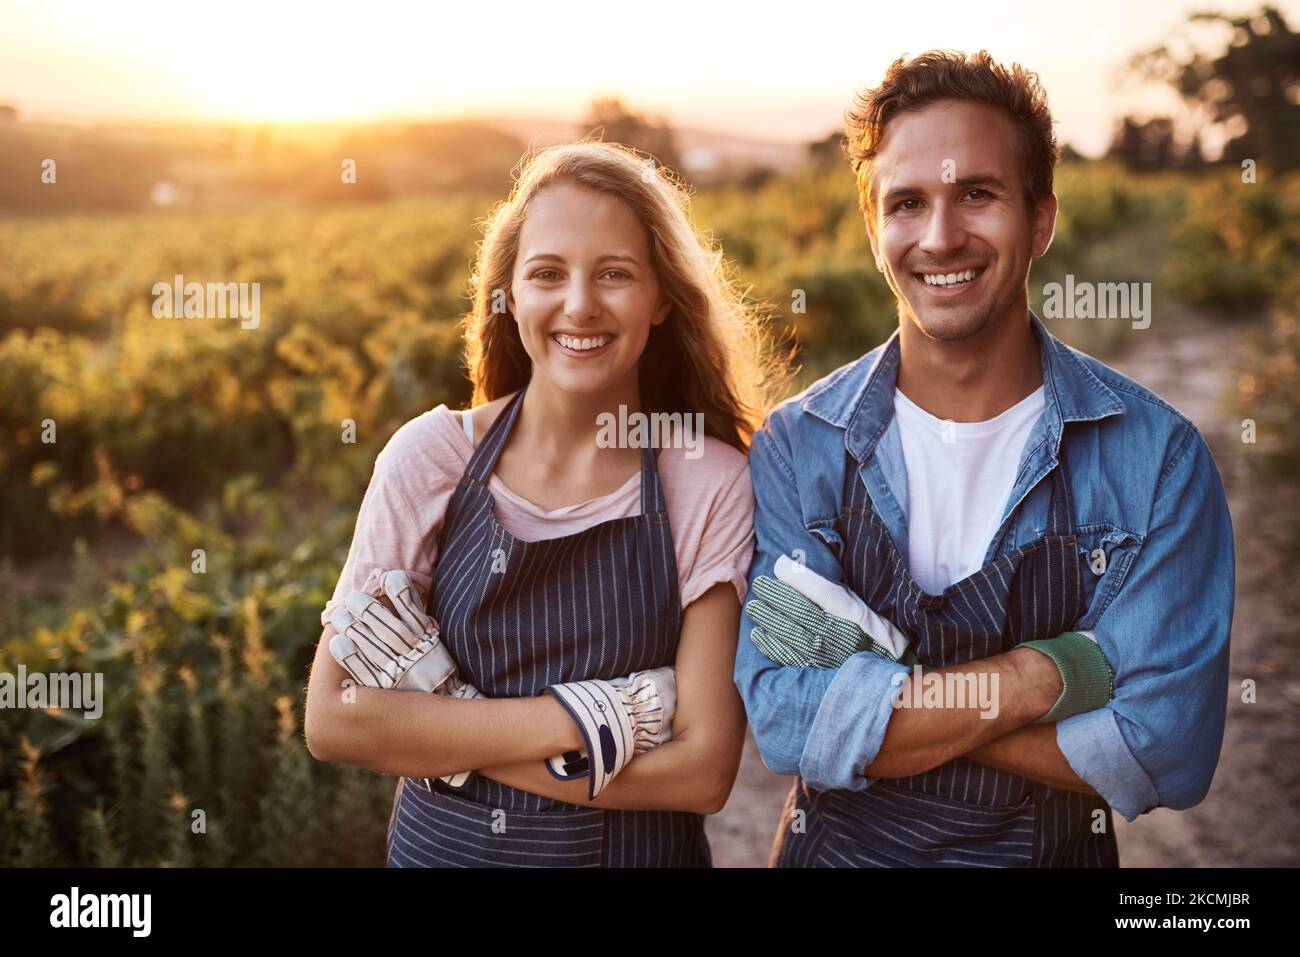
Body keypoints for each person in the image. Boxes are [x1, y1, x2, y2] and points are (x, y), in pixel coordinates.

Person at [733, 50, 1235, 867]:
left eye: (977, 193)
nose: (940, 236)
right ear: (873, 229)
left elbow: (1163, 749)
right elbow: (789, 722)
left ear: (1040, 219)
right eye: (907, 202)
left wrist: (883, 685)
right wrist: (1044, 679)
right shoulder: (798, 446)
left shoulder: (1158, 459)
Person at [305, 140, 779, 867]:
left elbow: (702, 771)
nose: (579, 303)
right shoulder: (429, 458)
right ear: (511, 295)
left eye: (614, 273)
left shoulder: (708, 482)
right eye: (547, 273)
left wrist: (445, 730)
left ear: (660, 298)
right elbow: (334, 718)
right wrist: (597, 717)